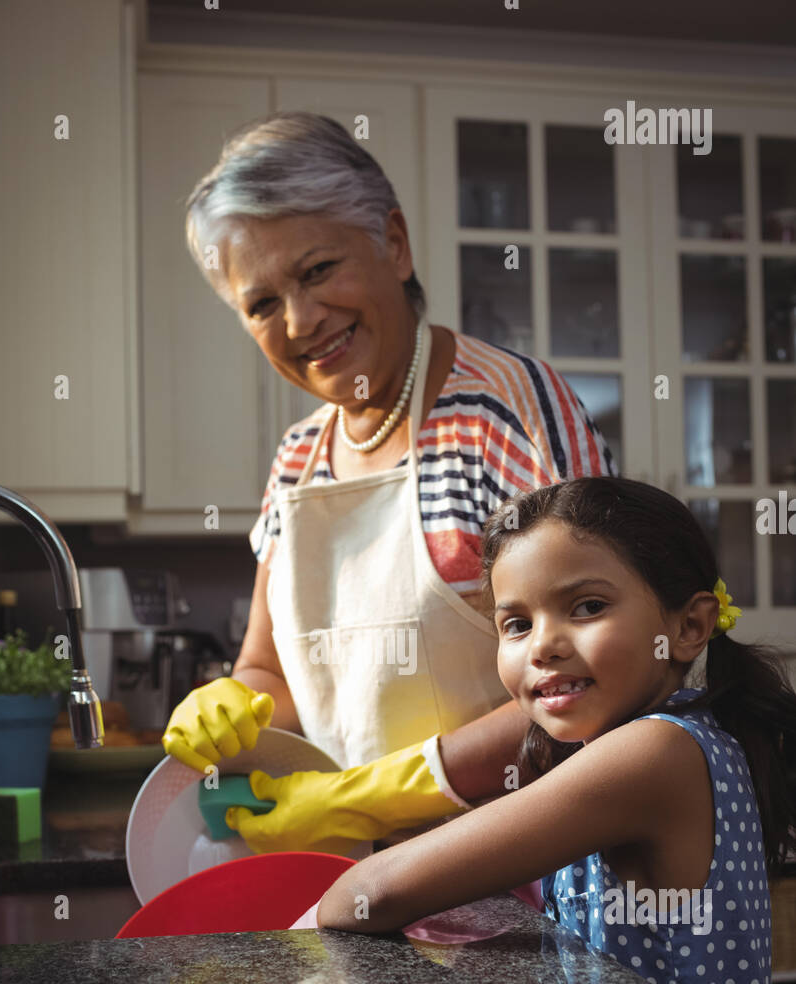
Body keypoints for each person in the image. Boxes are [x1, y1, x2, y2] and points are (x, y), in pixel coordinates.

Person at [162, 111, 615, 854]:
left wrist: (369, 799)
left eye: (317, 271)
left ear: (394, 244)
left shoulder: (508, 410)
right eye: (263, 304)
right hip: (355, 882)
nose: (303, 320)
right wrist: (233, 700)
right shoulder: (298, 457)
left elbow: (598, 669)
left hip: (512, 874)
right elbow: (270, 669)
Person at [297, 477, 796, 984]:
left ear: (689, 628)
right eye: (516, 624)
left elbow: (361, 897)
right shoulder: (686, 739)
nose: (544, 646)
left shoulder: (653, 753)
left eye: (587, 607)